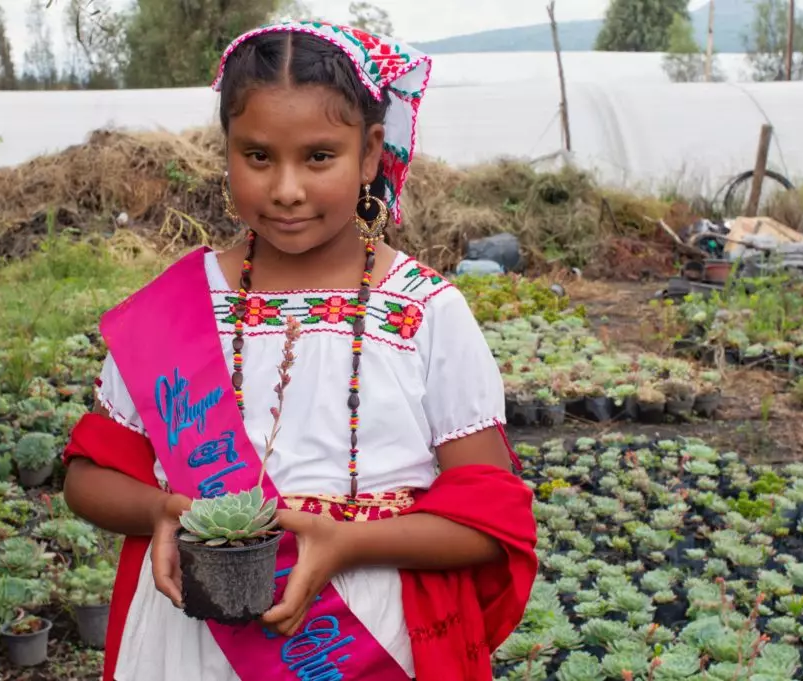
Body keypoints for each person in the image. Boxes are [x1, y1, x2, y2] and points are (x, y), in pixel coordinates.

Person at [62, 19, 538, 681]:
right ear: (226, 149)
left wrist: (346, 543)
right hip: (195, 640)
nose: (286, 189)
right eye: (258, 156)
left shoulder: (424, 313)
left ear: (371, 152)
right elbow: (88, 478)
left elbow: (492, 518)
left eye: (319, 157)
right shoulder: (178, 306)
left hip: (369, 635)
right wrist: (163, 509)